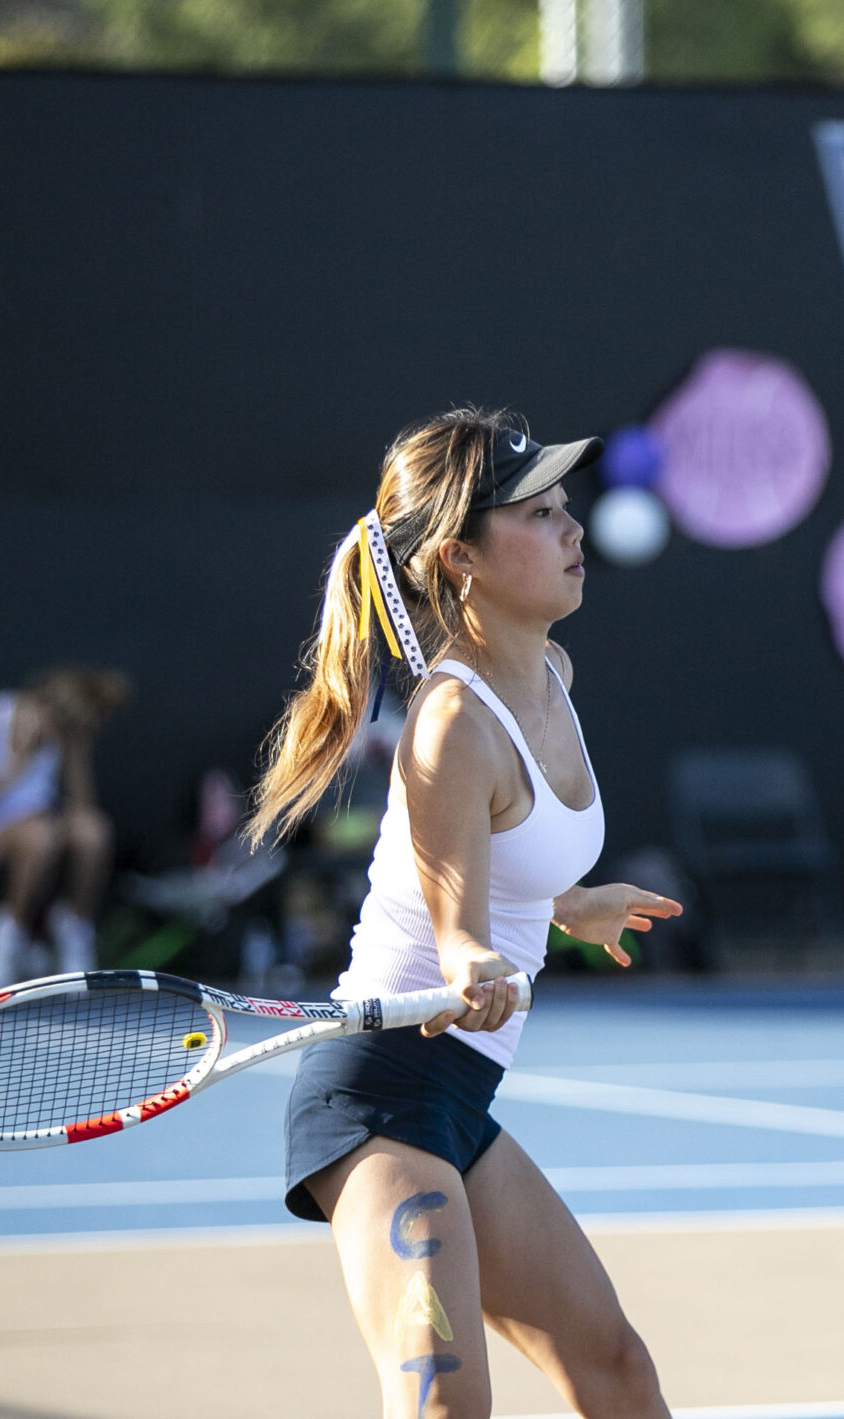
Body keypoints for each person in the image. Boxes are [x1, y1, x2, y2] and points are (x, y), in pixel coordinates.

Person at [246, 409, 683, 1419]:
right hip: (378, 1100)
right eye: (540, 514)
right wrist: (473, 967)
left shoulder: (551, 678)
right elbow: (458, 938)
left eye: (567, 507)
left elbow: (485, 870)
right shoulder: (450, 727)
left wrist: (567, 903)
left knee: (614, 1369)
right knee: (445, 1406)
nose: (575, 529)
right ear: (461, 557)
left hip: (459, 1100)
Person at [0, 664, 130, 990]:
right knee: (40, 837)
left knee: (93, 831)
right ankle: (6, 940)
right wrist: (18, 765)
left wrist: (76, 749)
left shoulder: (65, 734)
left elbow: (82, 805)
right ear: (42, 701)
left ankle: (74, 932)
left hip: (46, 826)